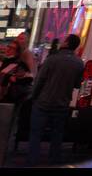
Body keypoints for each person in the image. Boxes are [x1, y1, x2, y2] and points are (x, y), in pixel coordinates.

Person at [27, 33, 84, 165]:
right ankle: (54, 160)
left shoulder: (52, 59)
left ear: (67, 44)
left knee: (36, 133)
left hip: (43, 103)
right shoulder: (79, 63)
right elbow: (77, 84)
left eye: (64, 41)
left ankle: (33, 160)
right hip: (62, 104)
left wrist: (33, 96)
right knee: (57, 134)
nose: (62, 42)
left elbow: (40, 80)